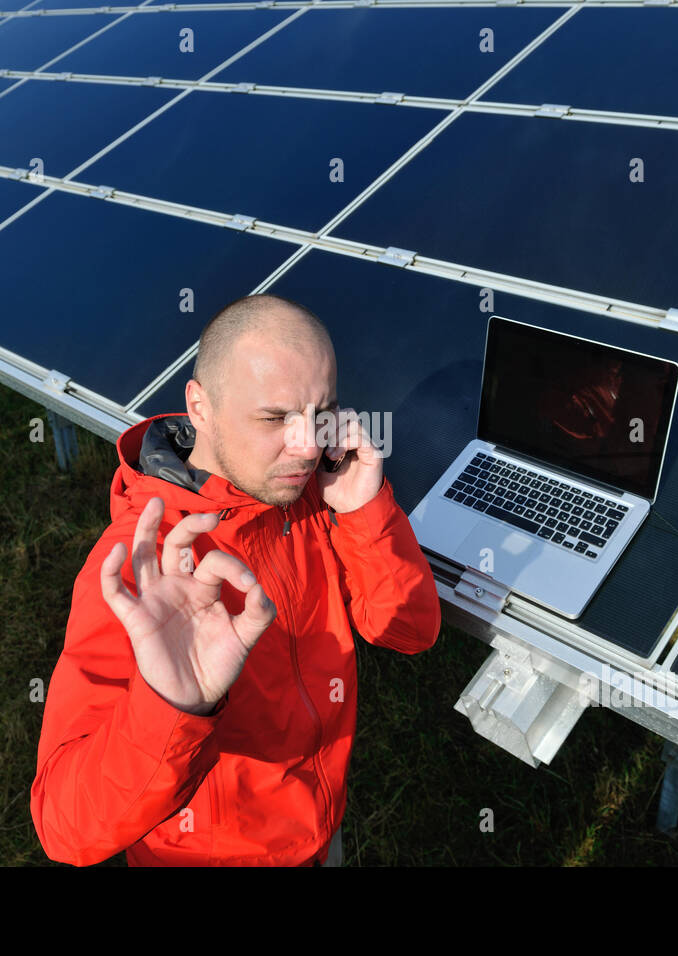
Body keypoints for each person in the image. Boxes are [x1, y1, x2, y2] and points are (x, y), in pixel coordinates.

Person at [30, 293, 442, 866]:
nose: (306, 446)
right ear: (200, 406)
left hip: (318, 832)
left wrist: (363, 511)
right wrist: (174, 705)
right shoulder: (138, 567)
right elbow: (65, 828)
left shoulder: (308, 498)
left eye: (321, 413)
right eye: (275, 418)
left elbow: (409, 631)